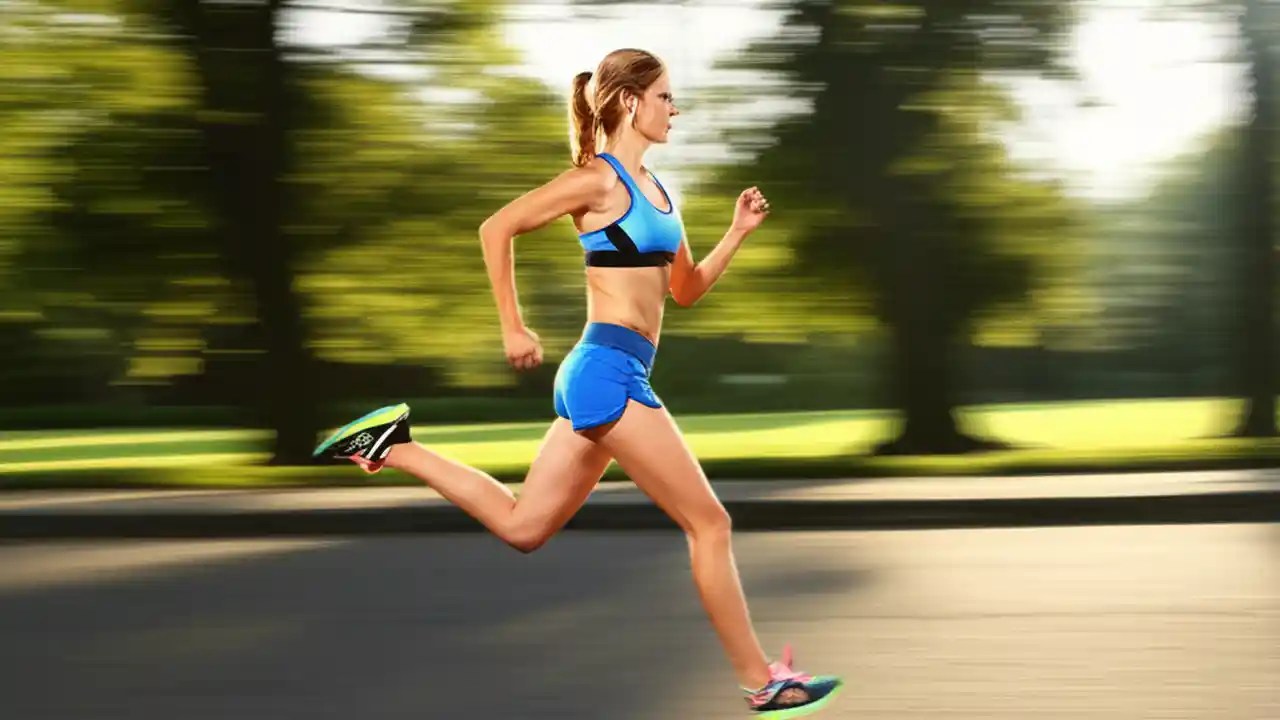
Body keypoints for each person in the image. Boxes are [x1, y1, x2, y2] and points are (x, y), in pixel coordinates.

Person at [313, 48, 843, 717]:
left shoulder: (659, 191)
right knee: (710, 523)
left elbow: (683, 290)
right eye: (665, 98)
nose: (674, 109)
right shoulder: (596, 181)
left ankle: (393, 445)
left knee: (524, 526)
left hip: (607, 375)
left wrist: (736, 233)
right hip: (607, 372)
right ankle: (761, 683)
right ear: (630, 101)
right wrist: (514, 325)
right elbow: (496, 226)